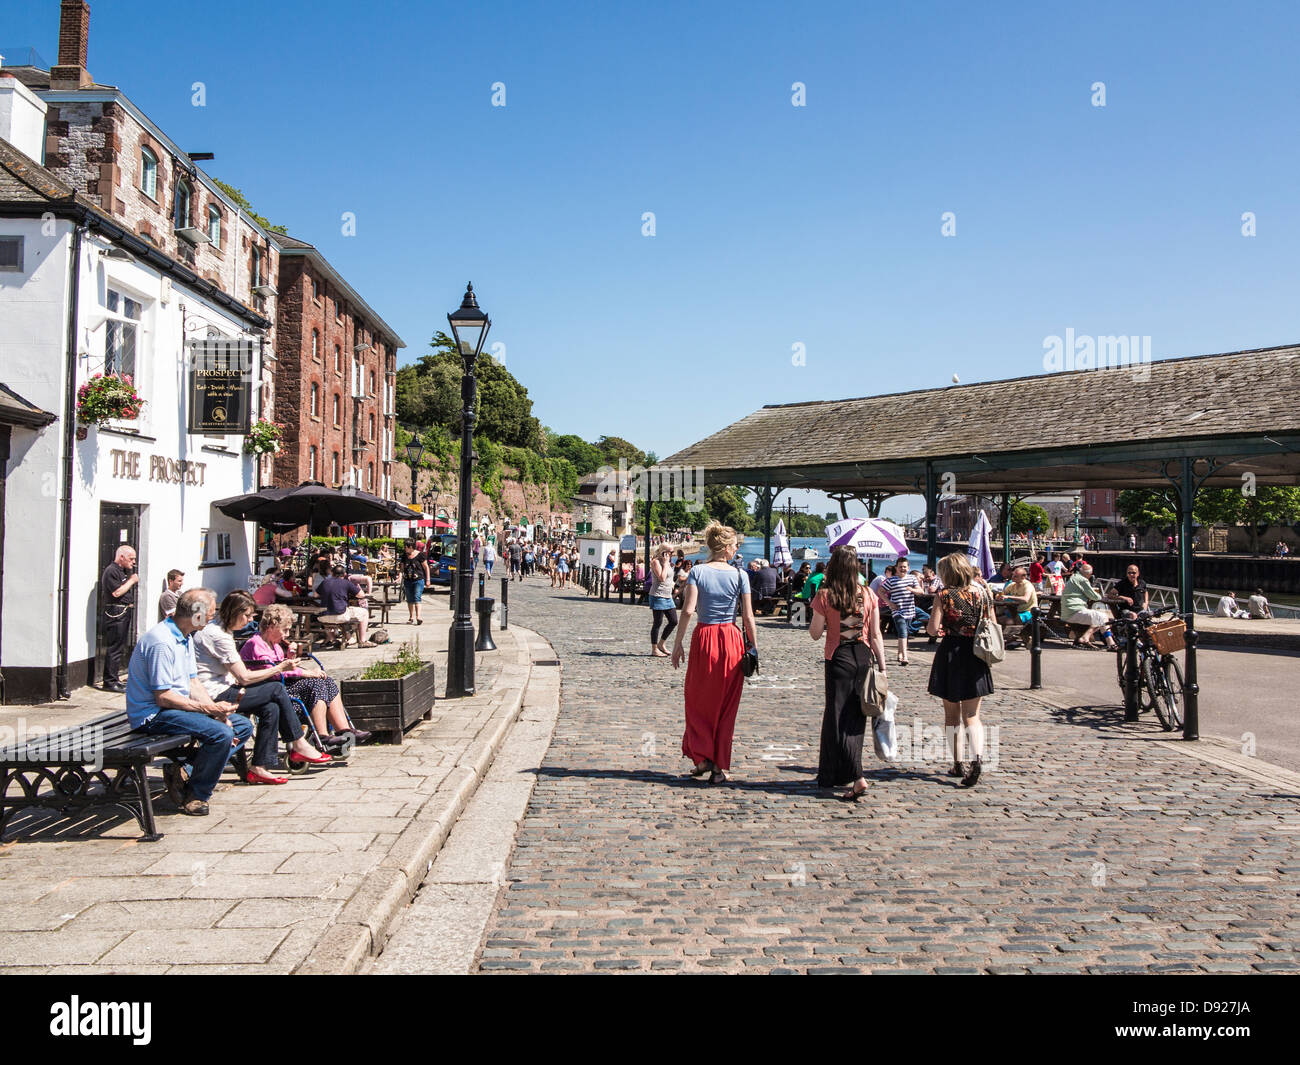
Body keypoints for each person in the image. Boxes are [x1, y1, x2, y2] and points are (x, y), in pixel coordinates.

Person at [126, 588, 254, 816]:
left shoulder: (185, 638)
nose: (213, 617)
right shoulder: (161, 642)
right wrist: (209, 708)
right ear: (196, 614)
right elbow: (163, 697)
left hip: (175, 708)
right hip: (152, 715)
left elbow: (193, 682)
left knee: (242, 726)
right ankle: (197, 795)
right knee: (221, 735)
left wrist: (218, 714)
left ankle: (187, 768)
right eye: (211, 613)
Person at [192, 590, 331, 782]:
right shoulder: (219, 636)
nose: (250, 620)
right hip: (213, 694)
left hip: (222, 688)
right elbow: (244, 677)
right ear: (235, 612)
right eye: (247, 615)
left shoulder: (219, 629)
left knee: (271, 708)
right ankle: (298, 743)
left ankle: (259, 766)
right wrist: (280, 668)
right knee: (276, 689)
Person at [671, 522, 757, 786]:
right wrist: (753, 646)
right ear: (727, 548)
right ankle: (720, 767)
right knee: (726, 706)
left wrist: (677, 643)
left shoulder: (697, 572)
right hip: (731, 639)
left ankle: (702, 758)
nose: (736, 549)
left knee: (698, 701)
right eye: (735, 546)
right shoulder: (740, 575)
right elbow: (748, 616)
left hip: (705, 637)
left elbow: (687, 611)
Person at [810, 545, 886, 801]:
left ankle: (857, 775)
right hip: (863, 657)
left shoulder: (826, 595)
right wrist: (884, 667)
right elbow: (876, 634)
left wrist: (822, 617)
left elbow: (815, 633)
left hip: (839, 657)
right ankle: (833, 772)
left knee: (837, 717)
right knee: (856, 718)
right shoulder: (867, 594)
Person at [241, 604, 371, 744]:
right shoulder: (256, 644)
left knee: (327, 681)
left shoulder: (275, 645)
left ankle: (345, 730)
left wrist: (290, 656)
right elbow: (274, 672)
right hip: (269, 689)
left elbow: (283, 668)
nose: (287, 634)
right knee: (315, 683)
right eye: (285, 630)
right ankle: (322, 735)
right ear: (271, 626)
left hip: (281, 685)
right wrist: (305, 673)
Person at [925, 553, 992, 787]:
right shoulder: (982, 593)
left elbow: (933, 630)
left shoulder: (943, 595)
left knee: (952, 715)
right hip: (976, 654)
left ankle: (958, 763)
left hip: (952, 653)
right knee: (972, 715)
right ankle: (978, 759)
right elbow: (991, 623)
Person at [100, 545, 139, 692]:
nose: (133, 562)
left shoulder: (121, 571)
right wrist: (131, 581)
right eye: (131, 558)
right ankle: (109, 682)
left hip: (123, 611)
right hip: (116, 612)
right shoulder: (111, 571)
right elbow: (116, 593)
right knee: (114, 648)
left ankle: (114, 678)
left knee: (119, 647)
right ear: (121, 557)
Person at [881, 556, 925, 665]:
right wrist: (889, 603)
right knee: (903, 631)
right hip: (897, 610)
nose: (903, 569)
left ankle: (900, 653)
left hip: (909, 610)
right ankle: (905, 656)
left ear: (908, 568)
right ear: (896, 568)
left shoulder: (912, 579)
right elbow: (880, 591)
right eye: (900, 567)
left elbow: (921, 592)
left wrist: (912, 590)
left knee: (906, 631)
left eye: (905, 567)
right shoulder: (891, 580)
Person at [1062, 563, 1118, 648]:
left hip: (1068, 612)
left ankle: (1091, 638)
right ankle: (1110, 643)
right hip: (1074, 611)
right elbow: (1094, 596)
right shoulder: (1083, 580)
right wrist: (1101, 596)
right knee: (1103, 617)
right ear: (1088, 574)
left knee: (1100, 618)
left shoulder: (1074, 578)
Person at [317, 565, 369, 646]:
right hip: (340, 615)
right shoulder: (346, 583)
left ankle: (333, 639)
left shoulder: (325, 582)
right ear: (344, 574)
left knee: (328, 616)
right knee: (364, 612)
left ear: (332, 573)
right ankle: (363, 640)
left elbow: (315, 594)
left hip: (323, 616)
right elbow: (361, 595)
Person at [995, 566, 1038, 647]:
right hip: (1014, 611)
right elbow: (1002, 594)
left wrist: (1009, 597)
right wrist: (998, 596)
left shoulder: (1027, 585)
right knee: (998, 620)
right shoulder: (1012, 585)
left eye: (1015, 576)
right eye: (1013, 575)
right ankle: (1012, 638)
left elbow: (1025, 599)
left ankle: (1015, 637)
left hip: (1027, 612)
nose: (1013, 577)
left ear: (1023, 577)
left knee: (1011, 621)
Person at [648, 544, 678, 657]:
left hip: (668, 595)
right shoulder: (656, 562)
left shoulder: (669, 562)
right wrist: (665, 563)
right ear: (664, 552)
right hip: (658, 595)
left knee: (674, 621)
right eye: (670, 552)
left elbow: (669, 578)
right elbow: (662, 577)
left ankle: (662, 643)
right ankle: (654, 649)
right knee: (658, 622)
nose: (672, 554)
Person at [401, 540, 430, 626]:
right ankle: (411, 617)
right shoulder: (404, 556)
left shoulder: (420, 555)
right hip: (407, 580)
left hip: (418, 580)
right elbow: (402, 568)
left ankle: (418, 617)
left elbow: (426, 567)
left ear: (411, 547)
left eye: (406, 547)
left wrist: (428, 579)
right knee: (409, 599)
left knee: (417, 597)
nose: (404, 549)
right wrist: (399, 576)